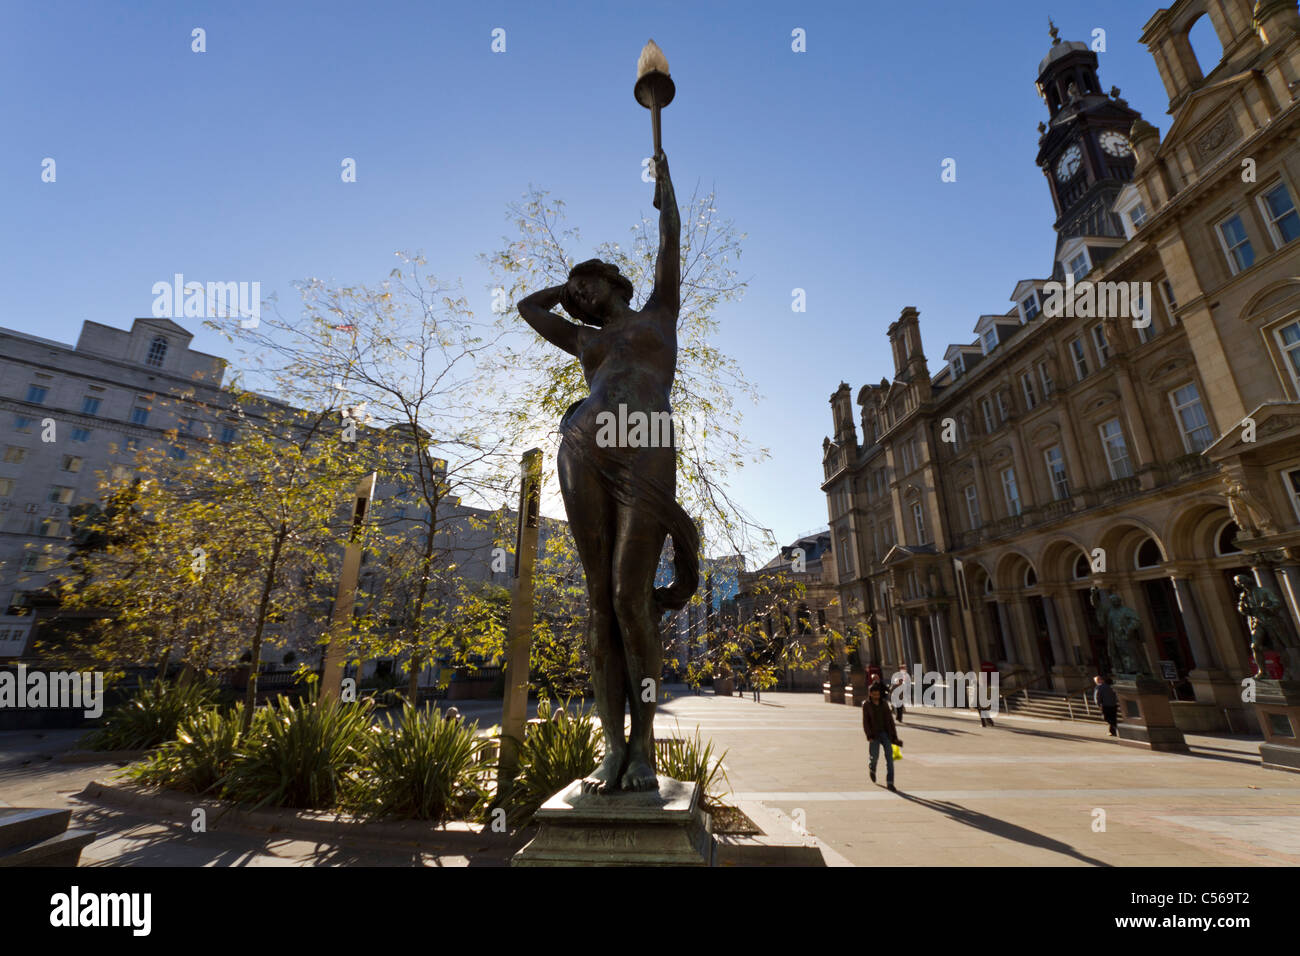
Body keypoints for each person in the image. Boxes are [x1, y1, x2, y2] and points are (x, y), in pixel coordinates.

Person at [862, 681, 901, 792]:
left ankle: (890, 783)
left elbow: (890, 721)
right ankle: (872, 768)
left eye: (877, 694)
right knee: (874, 757)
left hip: (886, 734)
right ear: (870, 694)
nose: (876, 696)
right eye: (874, 694)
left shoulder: (884, 704)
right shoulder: (867, 705)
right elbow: (866, 721)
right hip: (874, 735)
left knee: (890, 758)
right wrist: (869, 734)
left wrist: (894, 735)